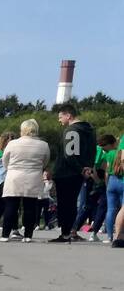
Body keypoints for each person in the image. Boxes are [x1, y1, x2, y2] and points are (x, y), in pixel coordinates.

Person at [49, 102, 97, 243]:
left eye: (60, 117)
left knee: (65, 204)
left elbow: (69, 154)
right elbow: (92, 151)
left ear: (68, 115)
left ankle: (64, 233)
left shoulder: (71, 131)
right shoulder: (89, 130)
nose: (59, 120)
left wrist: (79, 168)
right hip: (80, 173)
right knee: (72, 204)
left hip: (66, 172)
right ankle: (70, 231)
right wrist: (87, 167)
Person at [0, 119, 50, 242]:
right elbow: (45, 161)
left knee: (11, 206)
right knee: (30, 207)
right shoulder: (44, 145)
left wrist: (11, 169)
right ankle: (28, 236)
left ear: (22, 130)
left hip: (14, 177)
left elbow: (5, 160)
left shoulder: (12, 144)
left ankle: (5, 235)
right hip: (33, 177)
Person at [105, 147, 124, 243]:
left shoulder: (111, 153)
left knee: (110, 209)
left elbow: (107, 170)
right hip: (122, 180)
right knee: (122, 209)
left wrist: (106, 183)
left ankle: (109, 236)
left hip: (112, 180)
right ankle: (120, 234)